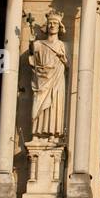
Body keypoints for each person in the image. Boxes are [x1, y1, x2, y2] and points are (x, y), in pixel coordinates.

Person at [27, 11, 68, 140]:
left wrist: (63, 59)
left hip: (56, 79)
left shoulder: (62, 46)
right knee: (38, 104)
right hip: (42, 80)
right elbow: (32, 61)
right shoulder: (38, 44)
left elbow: (68, 65)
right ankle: (37, 132)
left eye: (55, 23)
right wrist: (30, 44)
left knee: (54, 104)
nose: (52, 25)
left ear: (59, 26)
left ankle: (52, 133)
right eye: (50, 23)